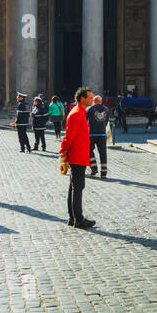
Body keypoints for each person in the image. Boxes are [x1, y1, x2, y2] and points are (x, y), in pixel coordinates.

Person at [60, 87, 95, 229]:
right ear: (82, 99)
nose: (92, 100)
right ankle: (79, 220)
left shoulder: (80, 112)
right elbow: (69, 136)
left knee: (73, 187)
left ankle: (72, 217)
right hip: (77, 155)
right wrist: (63, 151)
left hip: (78, 154)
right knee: (78, 187)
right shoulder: (76, 114)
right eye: (90, 98)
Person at [86, 94, 110, 178]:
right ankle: (104, 172)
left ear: (93, 101)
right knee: (103, 153)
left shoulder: (89, 109)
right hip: (102, 134)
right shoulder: (106, 109)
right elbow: (106, 122)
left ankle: (94, 167)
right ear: (101, 101)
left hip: (92, 133)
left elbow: (85, 122)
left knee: (88, 150)